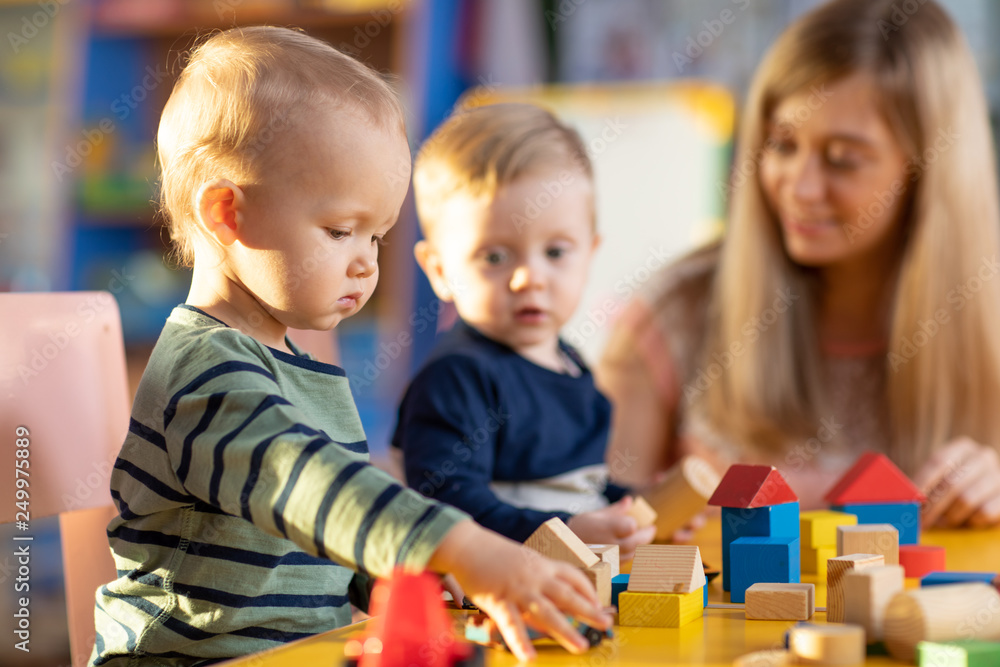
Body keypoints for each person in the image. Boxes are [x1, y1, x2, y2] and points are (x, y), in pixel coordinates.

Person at [90, 28, 610, 667]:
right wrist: (466, 548)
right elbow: (305, 483)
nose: (367, 265)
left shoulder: (298, 368)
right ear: (228, 213)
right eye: (341, 231)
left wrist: (424, 587)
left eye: (378, 238)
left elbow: (327, 546)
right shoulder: (204, 369)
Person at [599, 0, 1000, 523]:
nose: (801, 188)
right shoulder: (670, 318)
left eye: (842, 159)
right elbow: (587, 536)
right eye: (783, 145)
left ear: (929, 171)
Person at [392, 103, 655, 559]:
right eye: (494, 257)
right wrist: (572, 530)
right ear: (439, 270)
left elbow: (578, 485)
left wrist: (634, 508)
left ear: (589, 254)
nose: (529, 278)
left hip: (571, 584)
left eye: (555, 252)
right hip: (490, 602)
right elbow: (449, 506)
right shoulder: (457, 380)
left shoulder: (572, 366)